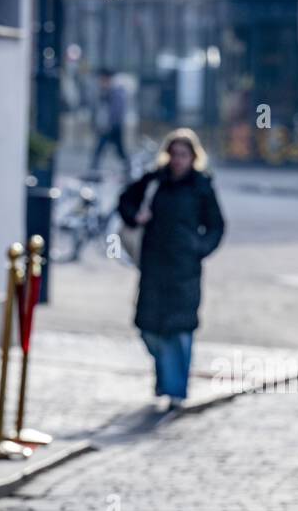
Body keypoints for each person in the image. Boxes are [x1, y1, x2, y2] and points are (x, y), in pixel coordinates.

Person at [117, 128, 225, 410]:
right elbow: (125, 201)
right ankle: (165, 378)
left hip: (184, 269)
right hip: (153, 265)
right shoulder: (154, 181)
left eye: (183, 155)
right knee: (149, 327)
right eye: (174, 154)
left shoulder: (201, 186)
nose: (178, 160)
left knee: (179, 329)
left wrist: (198, 249)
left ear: (193, 157)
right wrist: (136, 216)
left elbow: (216, 225)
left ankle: (176, 390)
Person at [90, 69, 128, 171]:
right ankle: (94, 169)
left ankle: (94, 169)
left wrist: (111, 124)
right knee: (107, 149)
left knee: (116, 149)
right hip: (106, 126)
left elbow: (117, 110)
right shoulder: (104, 92)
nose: (101, 82)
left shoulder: (115, 92)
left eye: (103, 79)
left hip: (113, 126)